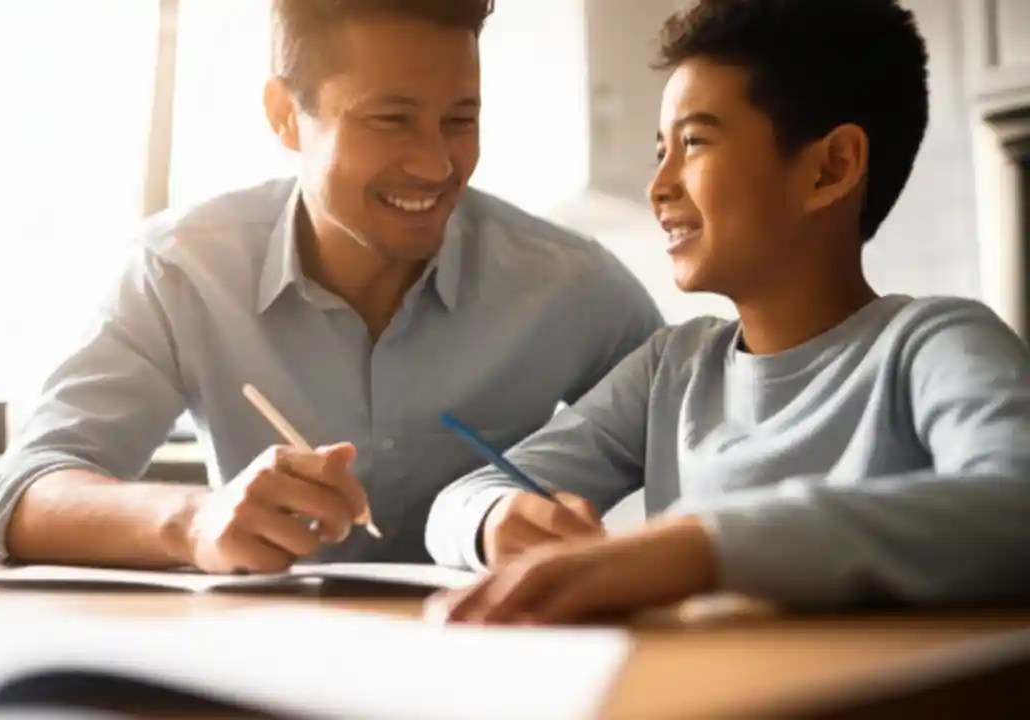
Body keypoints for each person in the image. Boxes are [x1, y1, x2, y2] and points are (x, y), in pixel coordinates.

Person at [0, 0, 663, 573]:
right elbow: (22, 495)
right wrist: (194, 521)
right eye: (389, 120)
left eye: (461, 120)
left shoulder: (571, 285)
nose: (435, 163)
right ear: (283, 115)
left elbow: (722, 449)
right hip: (256, 670)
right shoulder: (184, 269)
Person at [426, 0, 1030, 623]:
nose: (659, 185)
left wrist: (700, 547)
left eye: (694, 141)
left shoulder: (932, 344)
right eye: (661, 149)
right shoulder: (672, 368)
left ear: (831, 167)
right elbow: (462, 499)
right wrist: (498, 519)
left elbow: (1017, 504)